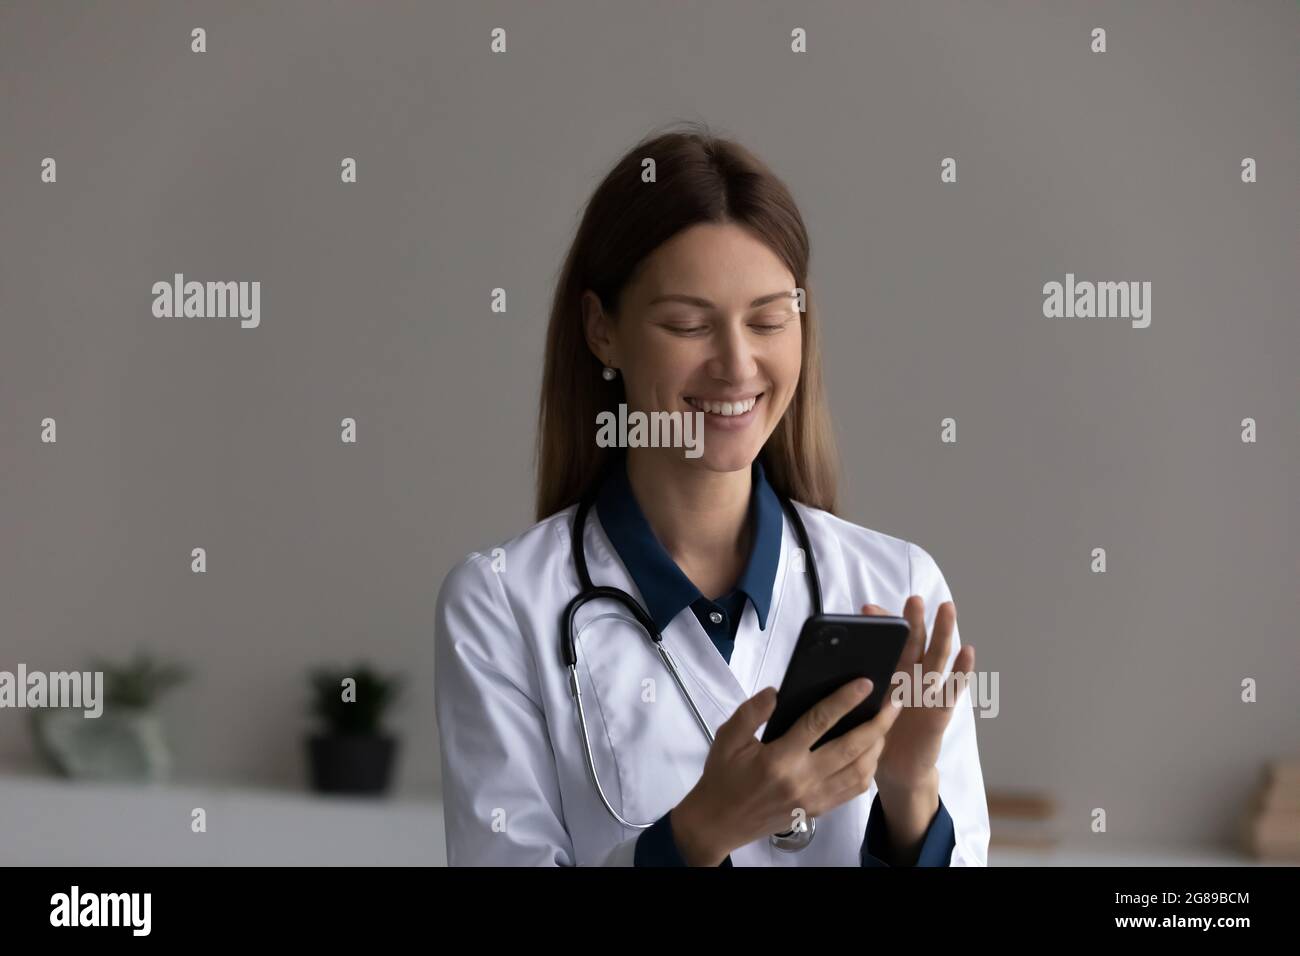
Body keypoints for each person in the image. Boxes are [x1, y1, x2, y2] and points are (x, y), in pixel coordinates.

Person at [435, 123, 989, 866]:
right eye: (689, 324)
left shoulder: (898, 587)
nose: (736, 365)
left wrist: (910, 792)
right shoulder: (502, 606)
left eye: (767, 320)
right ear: (603, 331)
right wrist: (698, 836)